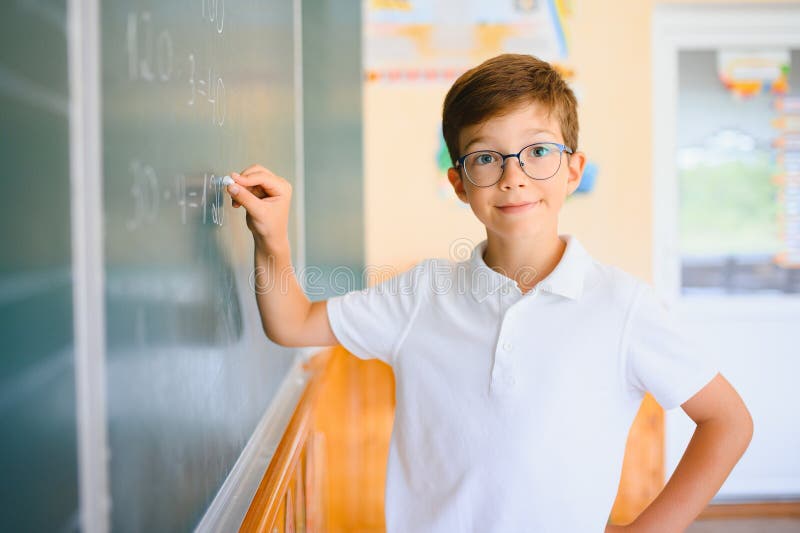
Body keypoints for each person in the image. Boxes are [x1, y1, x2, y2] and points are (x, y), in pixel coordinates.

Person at [224, 53, 753, 533]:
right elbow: (292, 324)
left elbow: (728, 420)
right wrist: (272, 241)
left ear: (573, 170)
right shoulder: (421, 294)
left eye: (538, 151)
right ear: (459, 183)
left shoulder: (623, 306)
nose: (514, 177)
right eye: (486, 158)